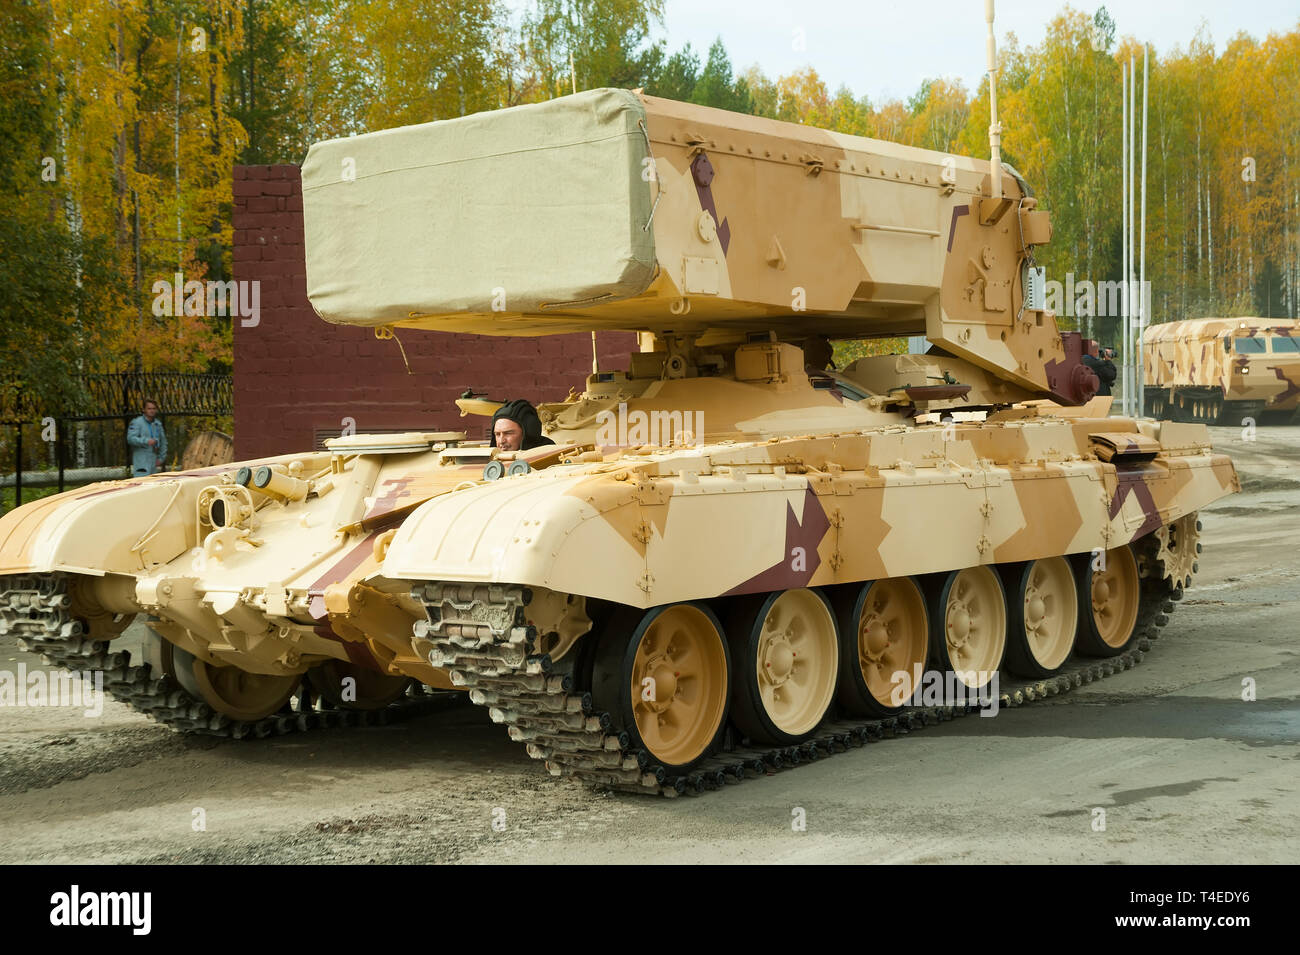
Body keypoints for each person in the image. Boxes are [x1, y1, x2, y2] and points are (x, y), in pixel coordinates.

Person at [490, 399, 555, 451]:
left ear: (529, 433)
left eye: (508, 433)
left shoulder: (550, 453)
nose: (501, 441)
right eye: (497, 434)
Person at [127, 399, 168, 475]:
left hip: (153, 461)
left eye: (153, 408)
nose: (151, 411)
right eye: (149, 408)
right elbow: (130, 439)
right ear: (144, 410)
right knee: (141, 484)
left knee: (153, 484)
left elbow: (163, 442)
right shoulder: (137, 422)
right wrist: (146, 441)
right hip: (141, 461)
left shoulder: (157, 424)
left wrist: (161, 458)